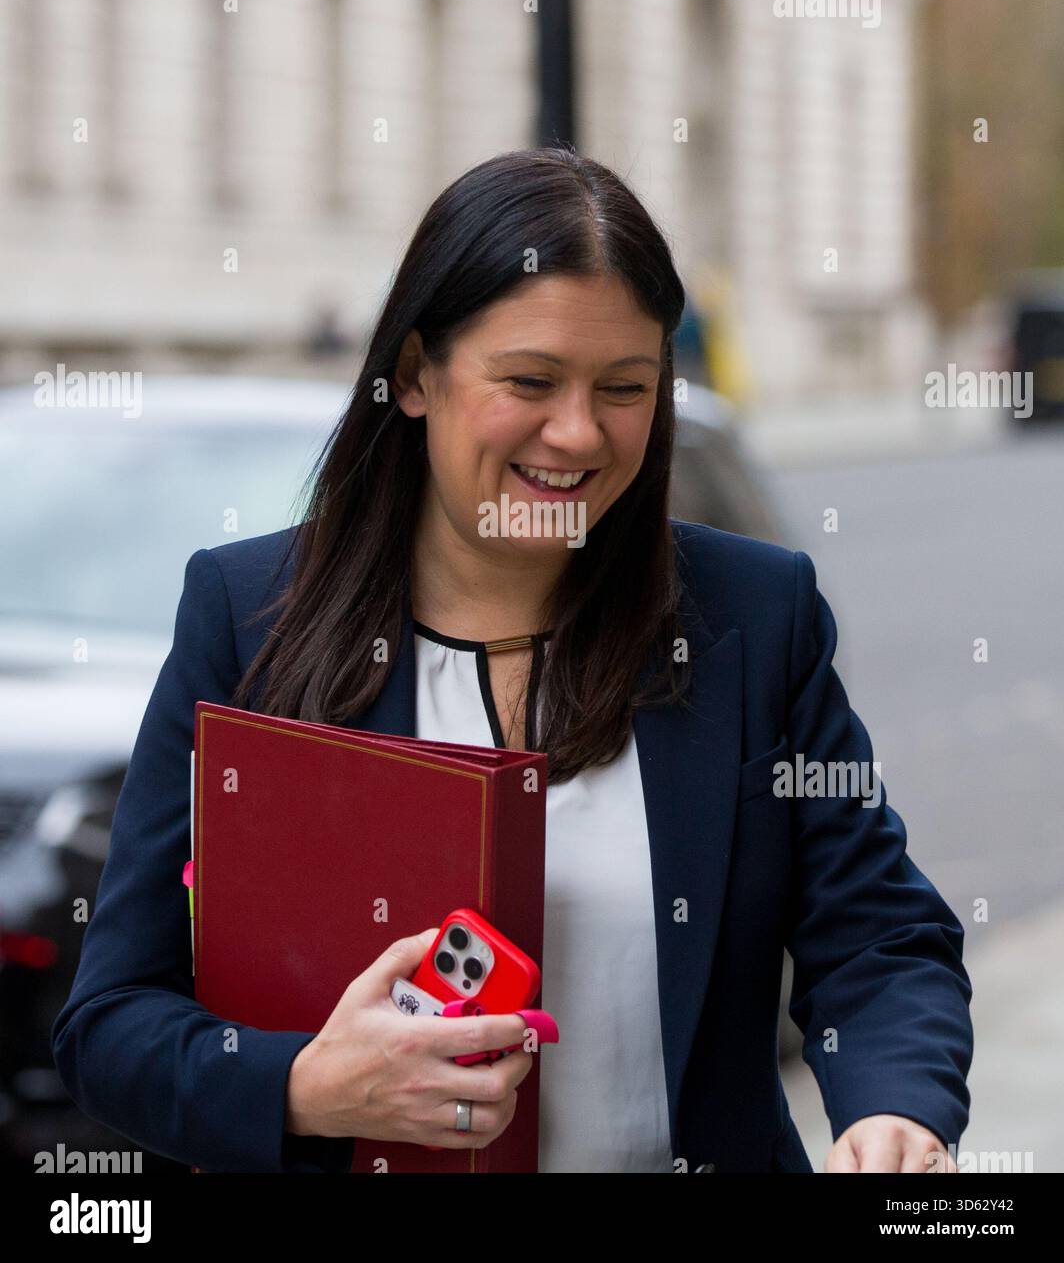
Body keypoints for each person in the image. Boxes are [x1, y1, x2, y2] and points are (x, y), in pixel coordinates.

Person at [52, 146, 973, 1173]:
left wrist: (893, 1108)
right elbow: (112, 1024)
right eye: (529, 380)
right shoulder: (247, 617)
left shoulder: (751, 617)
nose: (576, 433)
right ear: (412, 376)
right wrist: (310, 1088)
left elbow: (881, 939)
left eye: (623, 387)